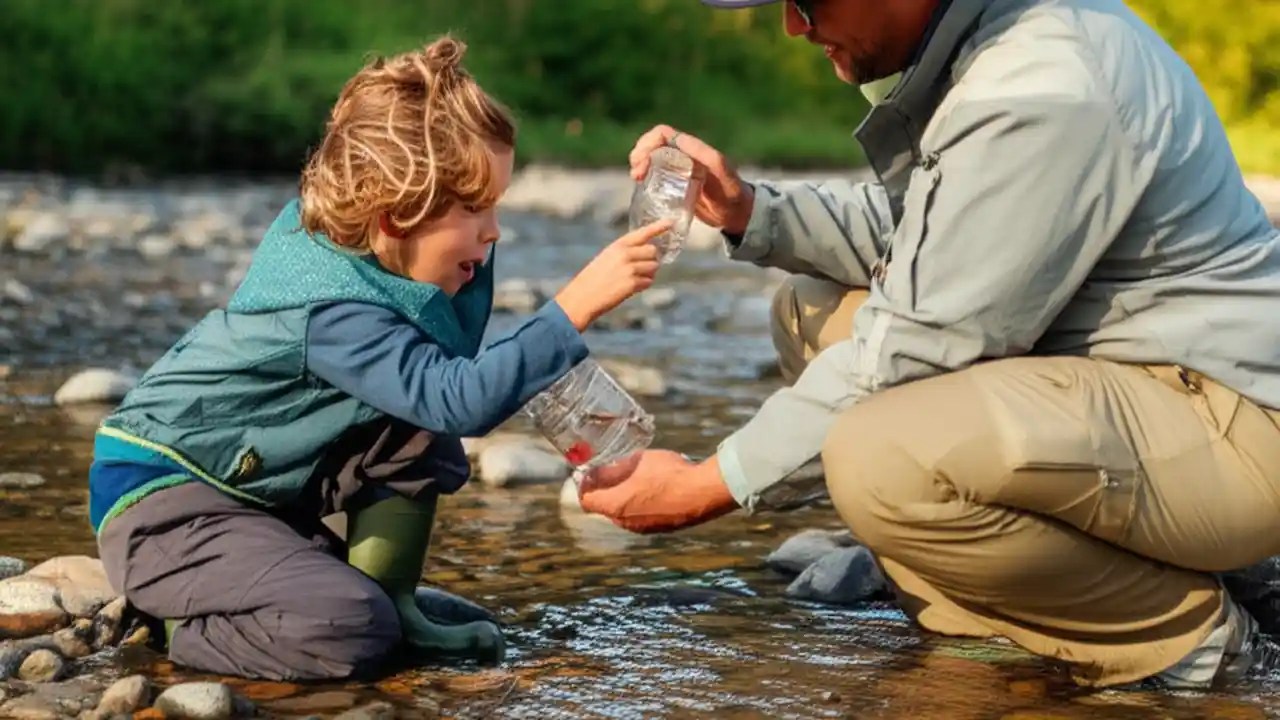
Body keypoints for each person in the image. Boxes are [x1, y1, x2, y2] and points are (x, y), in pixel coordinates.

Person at [581, 0, 1280, 690]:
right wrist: (750, 212)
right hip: (1155, 389)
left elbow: (913, 344)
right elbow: (925, 235)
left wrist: (709, 484)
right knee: (812, 313)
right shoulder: (993, 41)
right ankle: (1027, 588)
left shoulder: (1041, 85)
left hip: (1238, 427)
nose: (794, 26)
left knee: (877, 454)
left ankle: (1189, 638)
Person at [88, 36, 671, 682]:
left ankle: (389, 599)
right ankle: (182, 625)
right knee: (350, 631)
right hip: (164, 507)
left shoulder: (373, 254)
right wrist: (575, 306)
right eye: (477, 208)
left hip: (250, 493)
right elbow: (464, 400)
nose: (496, 229)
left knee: (415, 426)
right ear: (395, 217)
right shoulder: (333, 309)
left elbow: (443, 385)